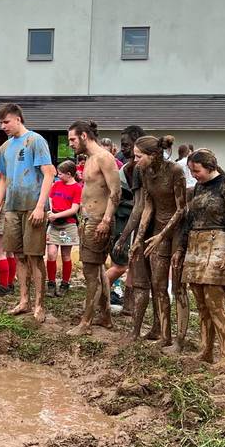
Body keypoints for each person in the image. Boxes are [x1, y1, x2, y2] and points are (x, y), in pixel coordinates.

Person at [0, 103, 56, 323]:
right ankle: (23, 300)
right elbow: (4, 179)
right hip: (12, 207)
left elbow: (49, 173)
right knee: (17, 255)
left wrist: (40, 206)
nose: (3, 126)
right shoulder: (4, 148)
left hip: (33, 206)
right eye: (0, 123)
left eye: (6, 121)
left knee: (35, 256)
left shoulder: (35, 141)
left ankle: (39, 304)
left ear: (18, 119)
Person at [176, 149, 225, 363]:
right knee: (201, 304)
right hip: (196, 246)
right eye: (191, 171)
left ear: (210, 167)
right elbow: (189, 219)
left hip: (218, 244)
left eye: (196, 170)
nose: (194, 175)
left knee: (215, 303)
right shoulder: (197, 188)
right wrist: (181, 248)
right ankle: (206, 351)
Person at [125, 135, 187, 346]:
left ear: (153, 155)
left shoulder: (175, 171)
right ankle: (156, 328)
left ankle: (166, 336)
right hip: (153, 227)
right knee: (148, 282)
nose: (135, 160)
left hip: (171, 230)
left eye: (139, 156)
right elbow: (148, 205)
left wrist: (162, 235)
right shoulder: (144, 171)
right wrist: (139, 237)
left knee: (161, 285)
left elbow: (181, 209)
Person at [68, 121, 121, 336]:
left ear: (83, 136)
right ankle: (105, 316)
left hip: (99, 220)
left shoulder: (104, 158)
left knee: (90, 272)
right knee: (98, 270)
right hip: (88, 219)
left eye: (72, 139)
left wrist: (106, 221)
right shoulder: (89, 159)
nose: (70, 144)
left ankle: (85, 322)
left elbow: (115, 192)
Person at [107, 125, 147, 312]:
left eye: (126, 145)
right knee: (121, 264)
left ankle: (129, 305)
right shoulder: (127, 169)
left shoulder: (143, 168)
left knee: (135, 265)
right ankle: (97, 295)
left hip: (141, 221)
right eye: (122, 145)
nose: (123, 149)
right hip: (124, 220)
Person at [46, 160, 82, 299]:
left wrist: (57, 215)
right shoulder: (56, 184)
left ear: (69, 174)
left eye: (60, 174)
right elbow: (50, 198)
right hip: (53, 224)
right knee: (51, 253)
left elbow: (74, 209)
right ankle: (51, 283)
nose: (57, 176)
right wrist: (50, 213)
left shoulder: (77, 188)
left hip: (68, 224)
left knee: (66, 255)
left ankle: (65, 283)